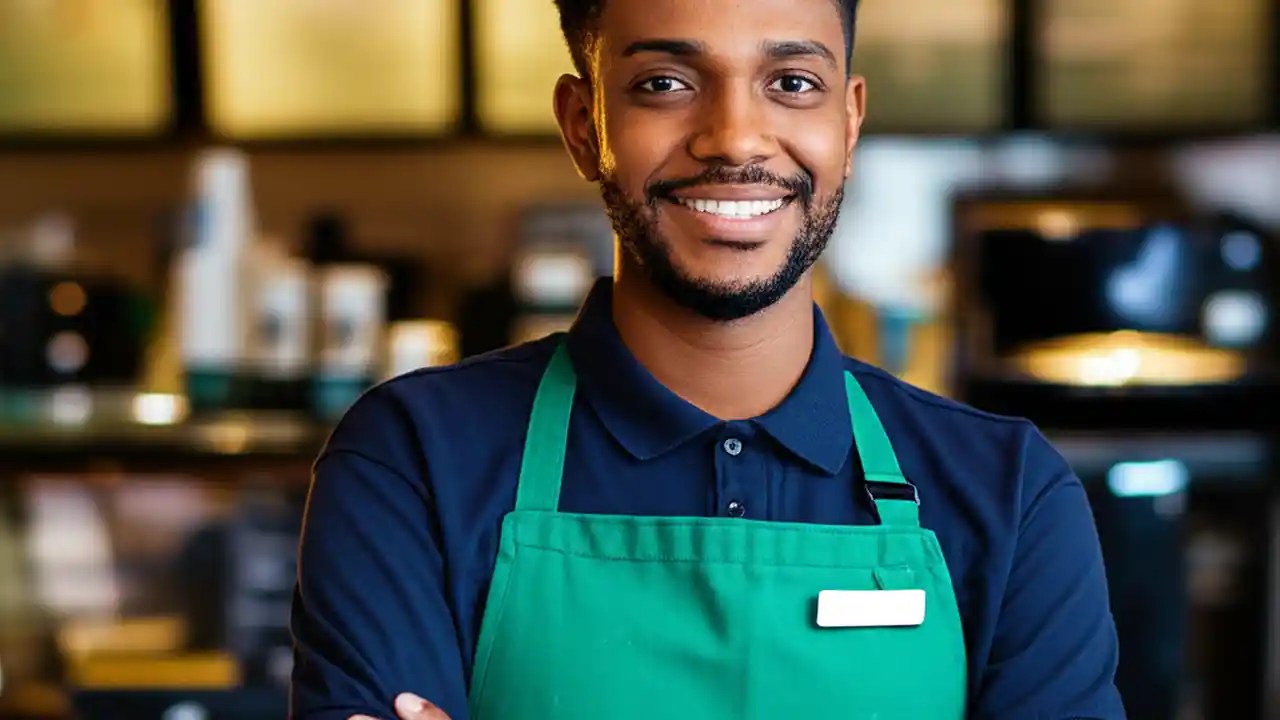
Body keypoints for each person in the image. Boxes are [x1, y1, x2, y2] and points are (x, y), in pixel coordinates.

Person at [290, 0, 1126, 717]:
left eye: (792, 83)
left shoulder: (1010, 494)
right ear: (585, 127)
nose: (734, 139)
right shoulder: (412, 461)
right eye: (666, 83)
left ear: (848, 120)